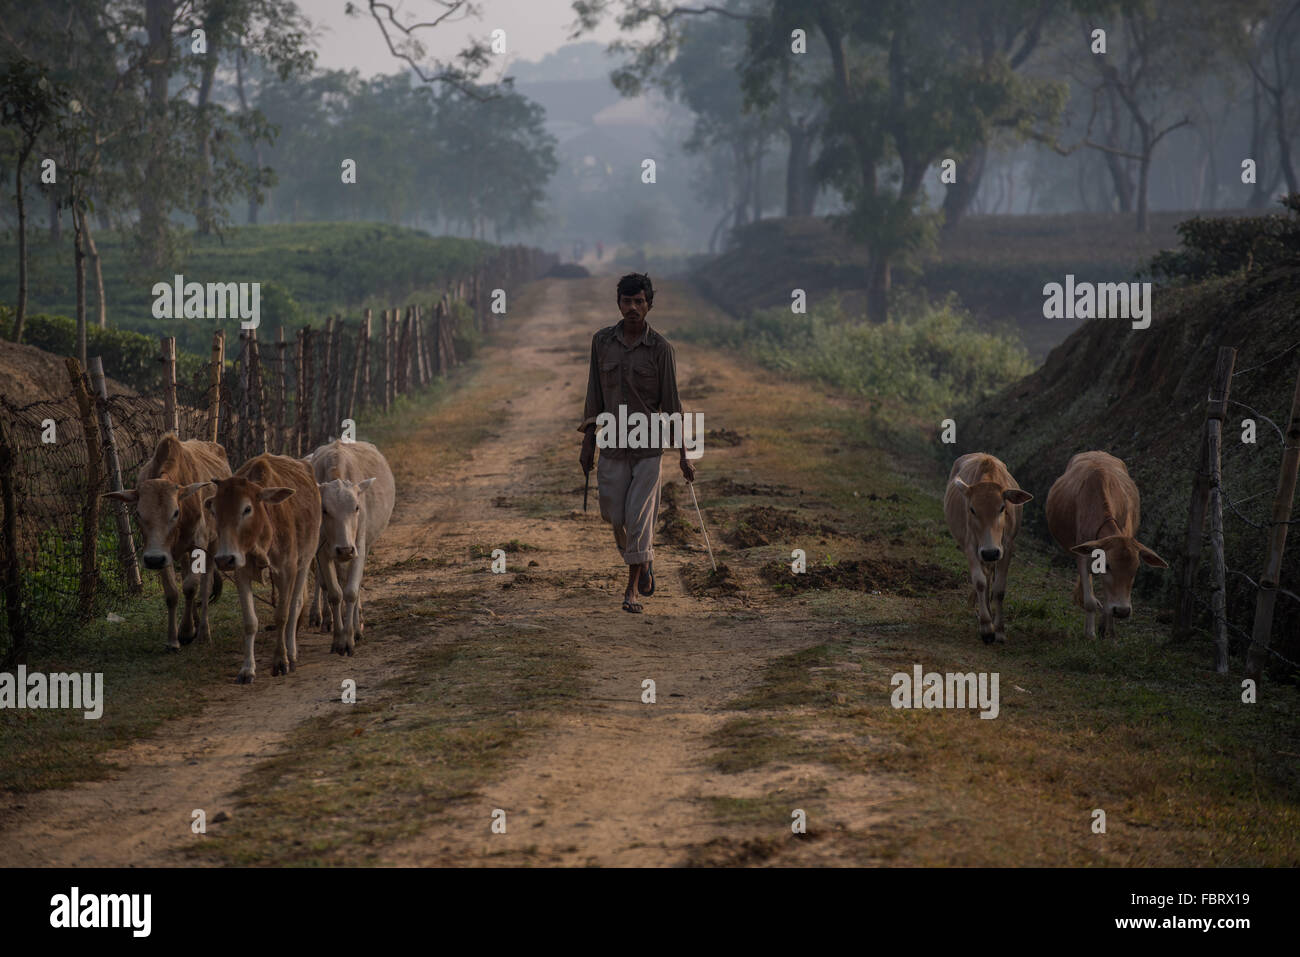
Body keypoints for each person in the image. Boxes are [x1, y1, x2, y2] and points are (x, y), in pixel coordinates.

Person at [578, 273, 695, 613]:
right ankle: (644, 562)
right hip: (612, 444)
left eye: (639, 302)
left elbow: (673, 406)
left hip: (648, 447)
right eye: (627, 302)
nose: (633, 308)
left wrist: (684, 457)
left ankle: (630, 590)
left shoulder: (661, 349)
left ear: (649, 305)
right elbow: (594, 395)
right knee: (615, 517)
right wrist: (587, 443)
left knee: (639, 517)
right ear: (618, 304)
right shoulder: (601, 342)